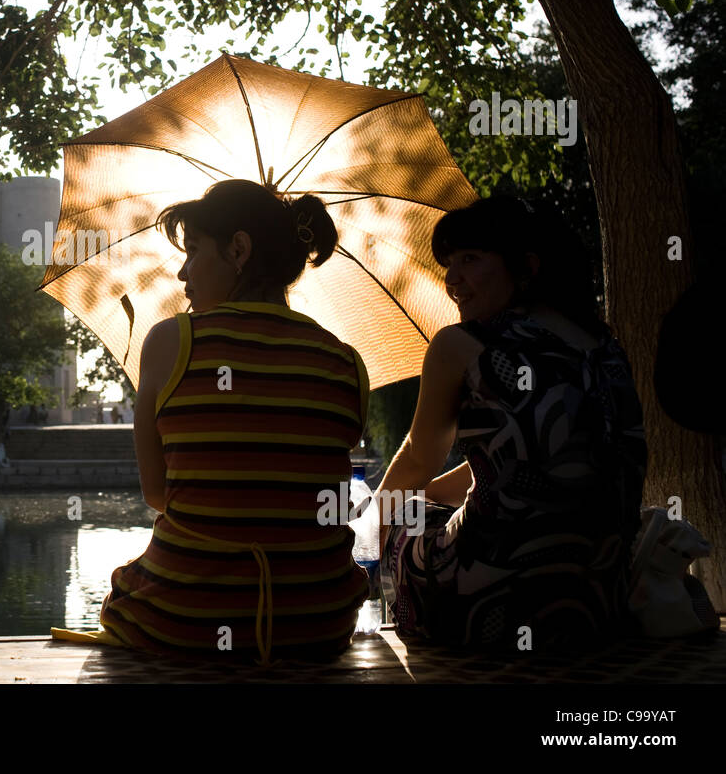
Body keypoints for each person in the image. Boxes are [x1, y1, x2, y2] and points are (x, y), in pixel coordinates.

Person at [53, 179, 370, 665]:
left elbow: (158, 495)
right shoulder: (346, 360)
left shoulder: (170, 342)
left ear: (238, 249)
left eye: (195, 251)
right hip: (318, 621)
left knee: (128, 591)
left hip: (184, 621)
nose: (184, 273)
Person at [376, 197, 647, 652]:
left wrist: (368, 532)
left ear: (526, 267)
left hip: (489, 606)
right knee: (430, 503)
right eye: (449, 263)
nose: (451, 279)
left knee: (400, 516)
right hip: (595, 603)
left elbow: (418, 459)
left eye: (470, 259)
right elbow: (534, 459)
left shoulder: (464, 344)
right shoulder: (604, 348)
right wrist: (432, 494)